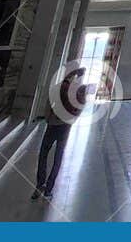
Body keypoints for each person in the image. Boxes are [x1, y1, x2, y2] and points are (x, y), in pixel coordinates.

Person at [33, 68, 91, 202]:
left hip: (53, 124)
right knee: (57, 157)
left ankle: (40, 185)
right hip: (64, 126)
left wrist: (48, 117)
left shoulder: (62, 87)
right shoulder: (79, 92)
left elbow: (50, 101)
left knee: (44, 154)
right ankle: (48, 189)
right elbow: (79, 110)